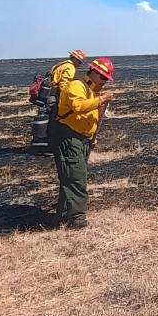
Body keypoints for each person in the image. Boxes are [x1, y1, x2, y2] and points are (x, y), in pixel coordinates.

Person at [53, 56, 115, 228]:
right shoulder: (76, 86)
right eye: (103, 77)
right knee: (76, 178)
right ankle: (76, 218)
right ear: (94, 72)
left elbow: (90, 117)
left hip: (82, 139)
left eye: (106, 79)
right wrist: (101, 100)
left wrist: (91, 137)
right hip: (69, 137)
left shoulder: (91, 91)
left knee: (72, 176)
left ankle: (64, 215)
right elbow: (79, 107)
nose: (104, 82)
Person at [45, 50, 86, 153]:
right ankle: (52, 147)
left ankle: (49, 144)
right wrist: (68, 97)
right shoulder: (70, 67)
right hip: (55, 96)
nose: (79, 65)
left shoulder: (62, 64)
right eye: (80, 62)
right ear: (75, 59)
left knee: (52, 120)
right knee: (55, 121)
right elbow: (63, 84)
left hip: (50, 95)